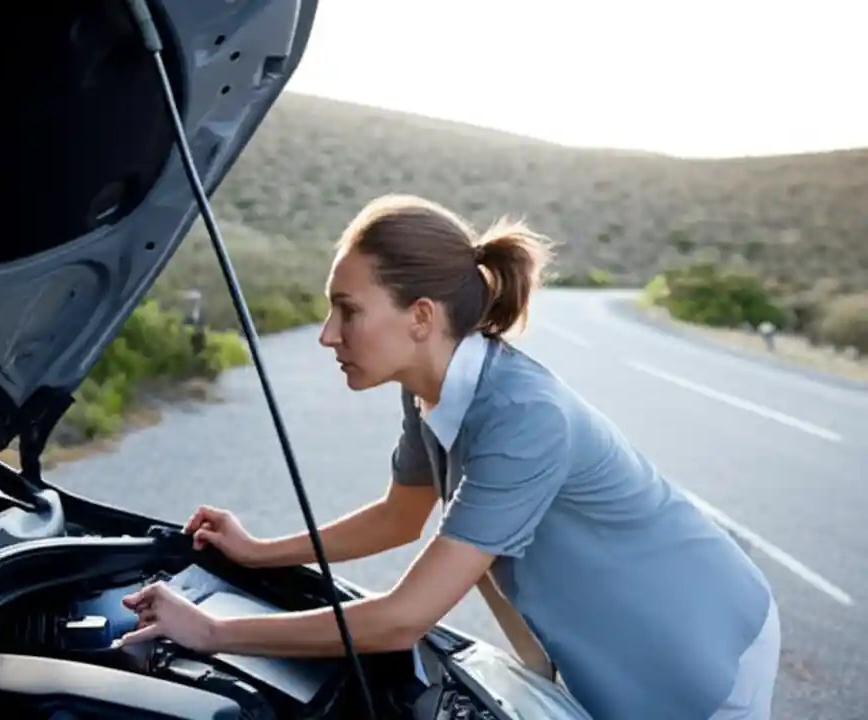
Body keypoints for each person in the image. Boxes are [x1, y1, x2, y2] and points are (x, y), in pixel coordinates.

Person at [119, 194, 780, 720]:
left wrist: (212, 632)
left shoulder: (522, 416)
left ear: (421, 317)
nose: (327, 335)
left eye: (347, 311)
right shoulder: (429, 391)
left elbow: (402, 619)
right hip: (613, 638)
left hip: (700, 638)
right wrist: (256, 552)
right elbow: (399, 517)